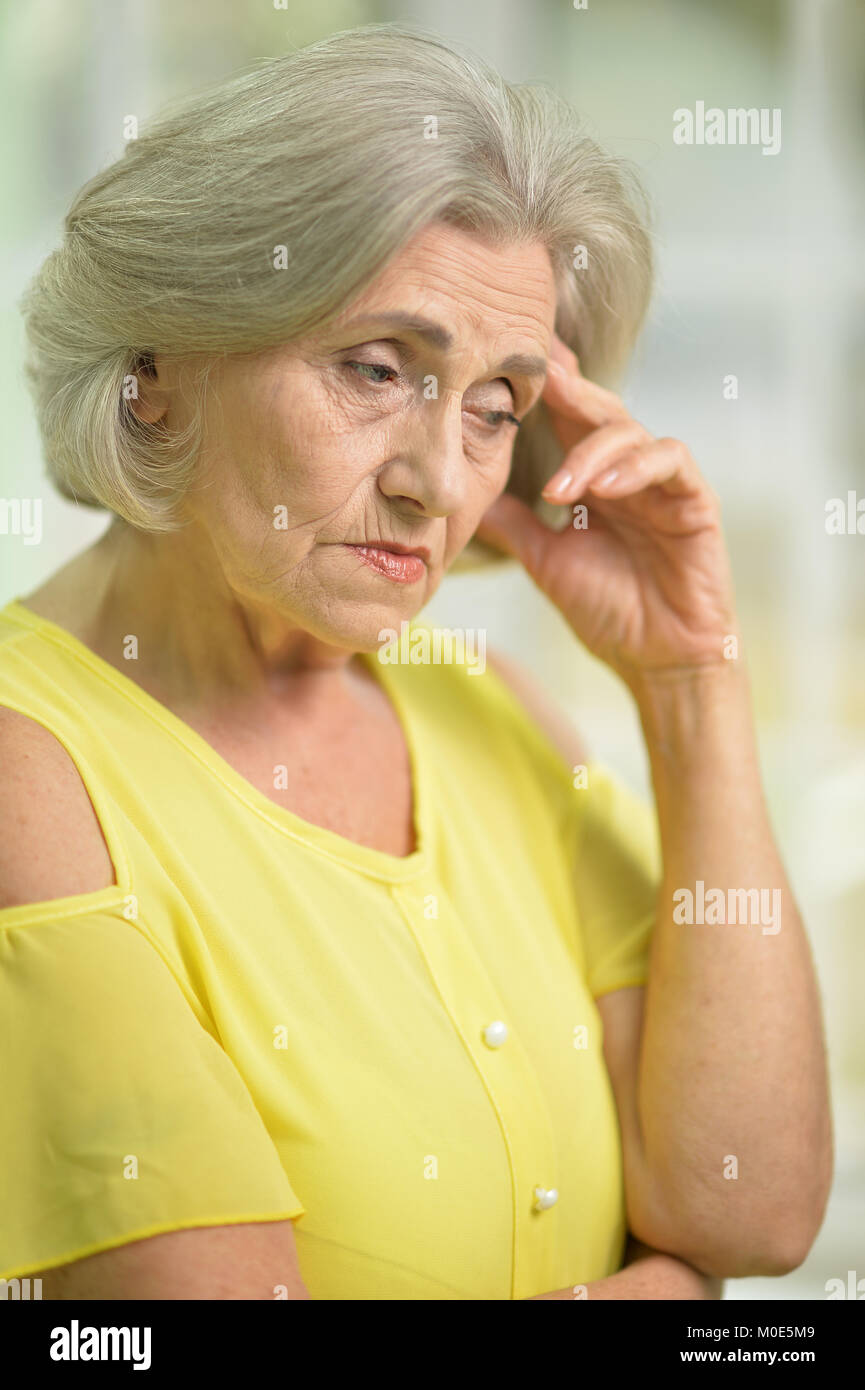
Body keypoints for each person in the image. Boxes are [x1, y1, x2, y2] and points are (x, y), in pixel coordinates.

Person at [0, 22, 831, 1300]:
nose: (439, 480)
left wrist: (691, 685)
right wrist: (669, 1295)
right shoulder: (28, 771)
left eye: (496, 408)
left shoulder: (490, 711)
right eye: (378, 369)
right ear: (153, 372)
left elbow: (748, 1210)